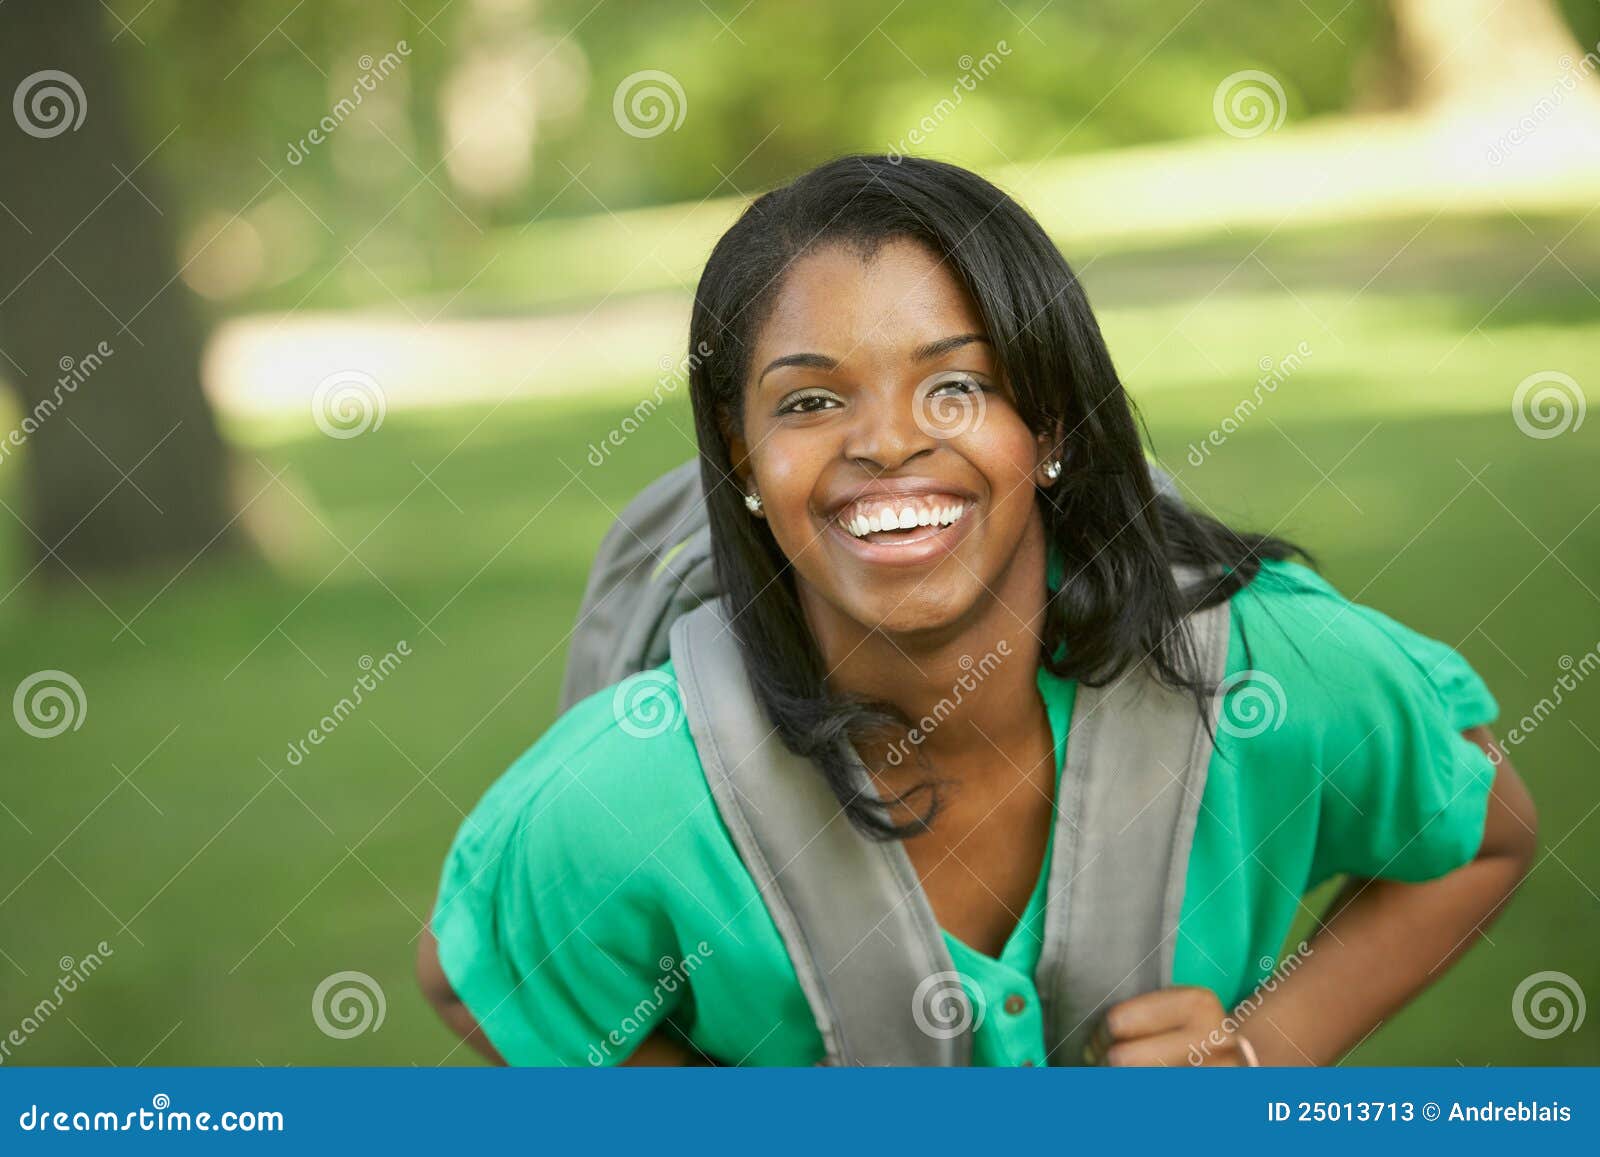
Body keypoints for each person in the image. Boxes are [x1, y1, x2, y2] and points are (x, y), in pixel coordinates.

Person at [417, 154, 1537, 1067]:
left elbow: (1485, 824)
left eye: (957, 384)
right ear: (737, 452)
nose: (888, 441)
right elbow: (468, 969)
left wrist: (1261, 1056)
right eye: (809, 400)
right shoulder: (637, 786)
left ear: (1048, 422)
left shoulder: (1257, 665)